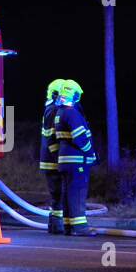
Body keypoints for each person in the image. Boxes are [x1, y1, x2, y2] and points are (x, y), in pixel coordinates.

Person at [54, 79, 96, 236]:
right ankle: (80, 227)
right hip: (76, 160)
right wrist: (90, 153)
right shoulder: (71, 113)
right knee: (77, 193)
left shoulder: (60, 112)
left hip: (65, 160)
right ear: (74, 94)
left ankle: (69, 226)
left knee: (67, 193)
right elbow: (80, 137)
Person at [38, 79, 65, 234]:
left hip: (52, 159)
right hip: (52, 160)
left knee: (58, 193)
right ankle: (56, 225)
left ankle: (56, 224)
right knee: (57, 193)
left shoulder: (52, 108)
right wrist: (57, 157)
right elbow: (50, 137)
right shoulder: (52, 110)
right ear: (55, 94)